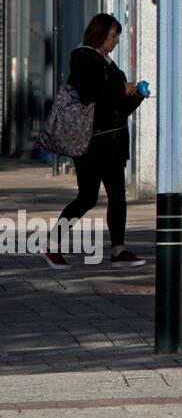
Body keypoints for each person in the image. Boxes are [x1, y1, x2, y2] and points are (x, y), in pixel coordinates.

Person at [44, 14, 148, 270]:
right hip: (90, 142)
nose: (116, 41)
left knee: (117, 196)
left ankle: (118, 250)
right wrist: (121, 89)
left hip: (113, 141)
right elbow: (91, 93)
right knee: (87, 197)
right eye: (113, 35)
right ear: (100, 34)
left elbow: (119, 108)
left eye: (118, 36)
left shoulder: (110, 65)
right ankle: (52, 245)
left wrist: (136, 96)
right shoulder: (83, 58)